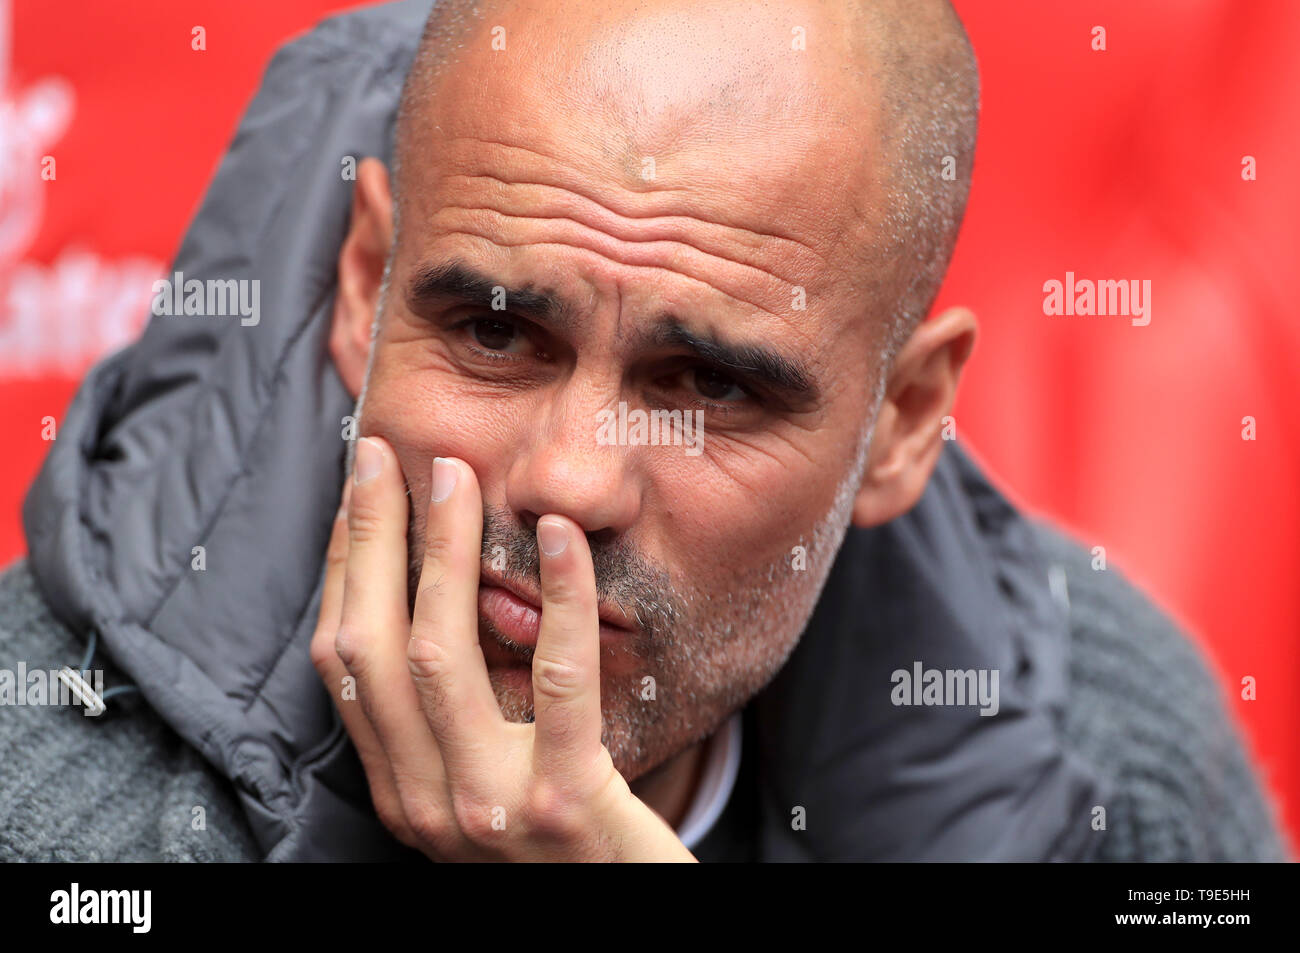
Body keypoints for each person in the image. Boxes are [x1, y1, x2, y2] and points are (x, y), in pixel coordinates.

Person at [0, 0, 1286, 862]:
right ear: (364, 286)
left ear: (900, 424)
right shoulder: (44, 800)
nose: (566, 478)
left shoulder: (1117, 756)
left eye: (709, 387)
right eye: (496, 333)